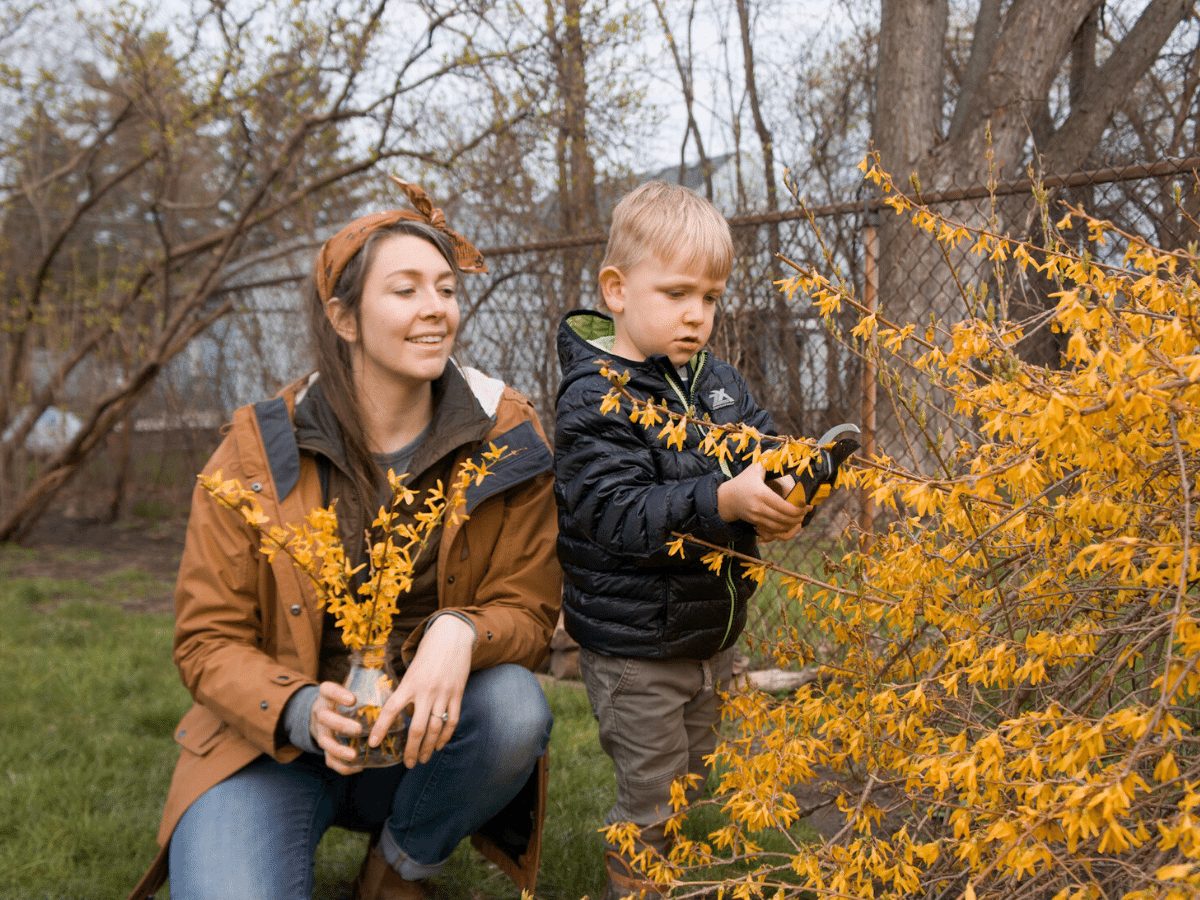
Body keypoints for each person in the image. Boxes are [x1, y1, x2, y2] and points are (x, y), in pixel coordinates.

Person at [130, 180, 561, 900]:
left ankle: (397, 868)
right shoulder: (256, 452)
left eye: (446, 289)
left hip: (427, 736)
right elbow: (207, 640)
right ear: (344, 317)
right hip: (272, 746)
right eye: (405, 290)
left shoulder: (503, 435)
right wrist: (298, 709)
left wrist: (460, 630)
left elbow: (529, 609)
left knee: (514, 708)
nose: (436, 308)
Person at [553, 181, 810, 898]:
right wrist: (722, 499)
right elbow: (615, 512)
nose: (697, 314)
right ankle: (635, 879)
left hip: (708, 635)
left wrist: (791, 496)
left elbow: (763, 453)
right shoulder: (595, 396)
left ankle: (656, 856)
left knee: (689, 776)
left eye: (710, 297)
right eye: (676, 294)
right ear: (617, 290)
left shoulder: (718, 384)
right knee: (652, 794)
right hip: (635, 648)